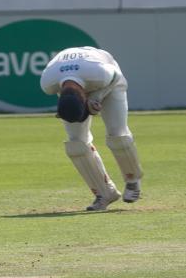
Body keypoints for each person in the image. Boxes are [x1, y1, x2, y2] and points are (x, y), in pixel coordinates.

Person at [40, 46, 144, 212]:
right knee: (76, 145)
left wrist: (96, 97)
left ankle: (132, 180)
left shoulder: (99, 74)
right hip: (73, 86)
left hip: (110, 84)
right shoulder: (48, 83)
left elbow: (115, 76)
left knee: (118, 136)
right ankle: (104, 193)